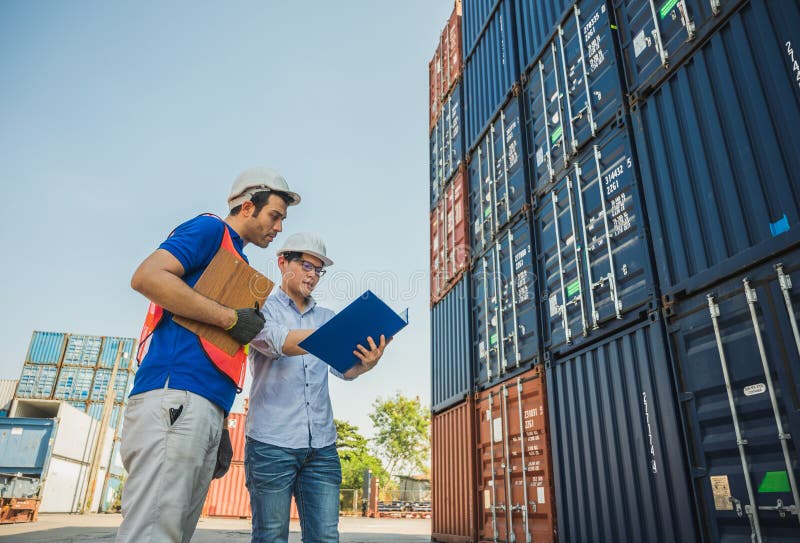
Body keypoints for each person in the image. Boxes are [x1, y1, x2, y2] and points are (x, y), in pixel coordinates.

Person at [116, 168, 301, 543]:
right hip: (175, 395)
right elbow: (147, 277)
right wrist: (232, 318)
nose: (279, 227)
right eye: (274, 216)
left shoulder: (240, 267)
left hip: (200, 406)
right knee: (153, 533)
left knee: (173, 534)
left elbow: (229, 345)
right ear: (248, 206)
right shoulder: (210, 230)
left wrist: (219, 418)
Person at [245, 232, 389, 543]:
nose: (313, 275)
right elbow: (276, 343)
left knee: (325, 537)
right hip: (271, 444)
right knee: (270, 536)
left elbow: (344, 370)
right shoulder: (260, 310)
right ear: (283, 263)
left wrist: (367, 363)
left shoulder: (327, 318)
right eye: (307, 266)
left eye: (319, 270)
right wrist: (331, 336)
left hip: (321, 449)